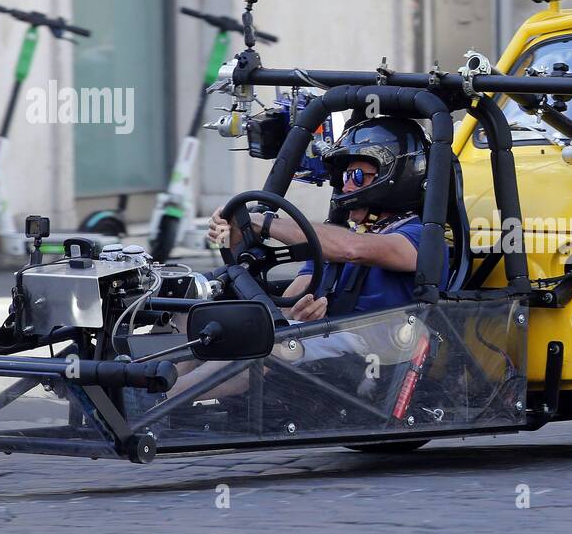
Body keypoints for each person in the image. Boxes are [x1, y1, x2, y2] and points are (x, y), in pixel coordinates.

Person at [158, 116, 447, 403]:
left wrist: (265, 223)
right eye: (345, 176)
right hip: (325, 339)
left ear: (395, 178)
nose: (346, 187)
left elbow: (355, 249)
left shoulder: (418, 237)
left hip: (379, 352)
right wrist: (234, 238)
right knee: (200, 313)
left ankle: (163, 402)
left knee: (265, 344)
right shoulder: (338, 239)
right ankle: (150, 386)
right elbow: (290, 303)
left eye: (357, 176)